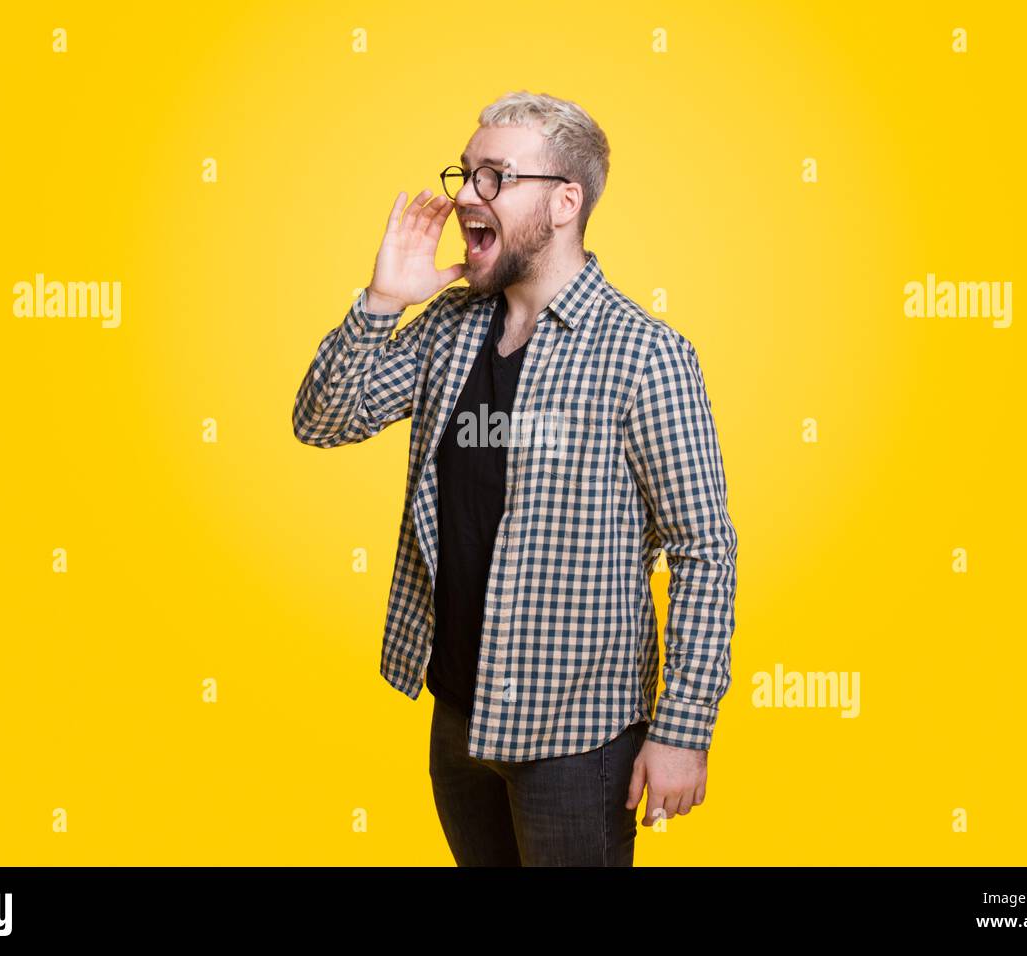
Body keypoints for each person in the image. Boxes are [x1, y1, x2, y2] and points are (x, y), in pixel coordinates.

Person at [293, 91, 738, 866]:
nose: (467, 195)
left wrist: (682, 730)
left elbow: (705, 552)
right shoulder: (448, 326)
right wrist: (380, 303)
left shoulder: (645, 355)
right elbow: (323, 421)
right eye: (465, 174)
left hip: (576, 737)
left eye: (494, 176)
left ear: (566, 202)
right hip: (458, 715)